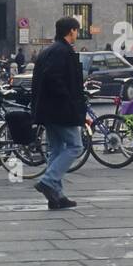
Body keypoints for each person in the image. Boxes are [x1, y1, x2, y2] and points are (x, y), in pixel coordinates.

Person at [31, 18, 84, 210]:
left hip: (48, 110)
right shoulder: (63, 52)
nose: (77, 34)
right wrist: (70, 100)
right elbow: (55, 80)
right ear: (71, 31)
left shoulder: (48, 51)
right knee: (75, 146)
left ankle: (56, 196)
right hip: (61, 110)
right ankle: (48, 180)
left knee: (56, 149)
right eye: (77, 31)